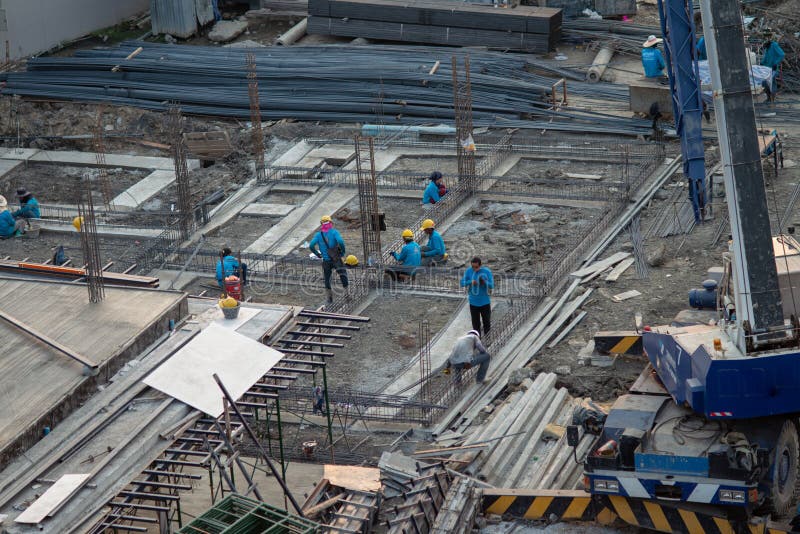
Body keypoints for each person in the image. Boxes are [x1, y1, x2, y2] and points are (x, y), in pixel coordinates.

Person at [310, 215, 349, 303]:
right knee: (343, 275)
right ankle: (347, 296)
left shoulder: (318, 235)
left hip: (326, 261)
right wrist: (342, 252)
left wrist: (317, 254)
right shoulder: (334, 232)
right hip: (336, 259)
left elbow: (311, 245)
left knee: (327, 278)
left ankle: (329, 298)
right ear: (331, 223)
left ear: (321, 224)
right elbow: (341, 242)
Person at [461, 256, 494, 336]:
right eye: (473, 267)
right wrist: (470, 282)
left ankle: (488, 339)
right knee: (475, 324)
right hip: (473, 302)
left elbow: (492, 285)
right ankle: (477, 340)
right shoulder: (469, 271)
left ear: (480, 265)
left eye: (476, 267)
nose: (474, 269)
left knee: (486, 322)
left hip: (484, 302)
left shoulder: (486, 272)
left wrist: (484, 282)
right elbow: (462, 283)